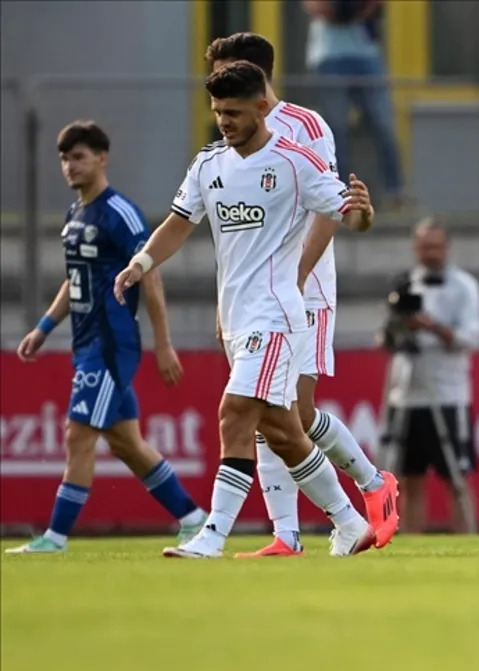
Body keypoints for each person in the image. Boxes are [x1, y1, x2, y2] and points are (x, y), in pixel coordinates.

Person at [114, 61, 378, 558]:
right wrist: (141, 261)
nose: (224, 122)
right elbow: (177, 222)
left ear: (262, 107)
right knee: (281, 430)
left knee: (234, 413)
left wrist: (363, 210)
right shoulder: (209, 164)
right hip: (235, 316)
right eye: (217, 112)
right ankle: (350, 523)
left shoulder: (295, 162)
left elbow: (350, 215)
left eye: (233, 112)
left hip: (276, 314)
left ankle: (213, 534)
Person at [204, 32, 400, 558]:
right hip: (254, 297)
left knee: (294, 411)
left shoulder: (305, 125)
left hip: (303, 286)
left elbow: (328, 206)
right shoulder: (224, 142)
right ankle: (287, 534)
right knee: (271, 414)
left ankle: (370, 482)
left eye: (235, 72)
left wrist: (295, 276)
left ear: (261, 75)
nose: (226, 88)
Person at [6, 121, 207, 554]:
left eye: (78, 157)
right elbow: (75, 280)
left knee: (77, 434)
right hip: (85, 342)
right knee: (127, 443)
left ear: (102, 158)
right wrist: (43, 327)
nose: (69, 166)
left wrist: (164, 343)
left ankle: (55, 539)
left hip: (111, 343)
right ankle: (194, 518)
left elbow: (150, 277)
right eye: (64, 158)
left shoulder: (120, 213)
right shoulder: (75, 215)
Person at [379, 218, 479, 534]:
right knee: (409, 479)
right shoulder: (405, 284)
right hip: (407, 392)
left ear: (447, 247)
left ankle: (468, 539)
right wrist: (394, 331)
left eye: (436, 247)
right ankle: (412, 541)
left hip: (448, 392)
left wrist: (431, 327)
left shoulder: (463, 286)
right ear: (415, 248)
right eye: (424, 247)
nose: (430, 254)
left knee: (457, 476)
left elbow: (470, 338)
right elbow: (388, 338)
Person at [302, 0, 404, 204]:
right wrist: (344, 11)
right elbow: (317, 7)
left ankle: (395, 190)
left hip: (367, 54)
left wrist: (359, 9)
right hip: (329, 55)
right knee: (336, 127)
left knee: (383, 124)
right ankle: (340, 194)